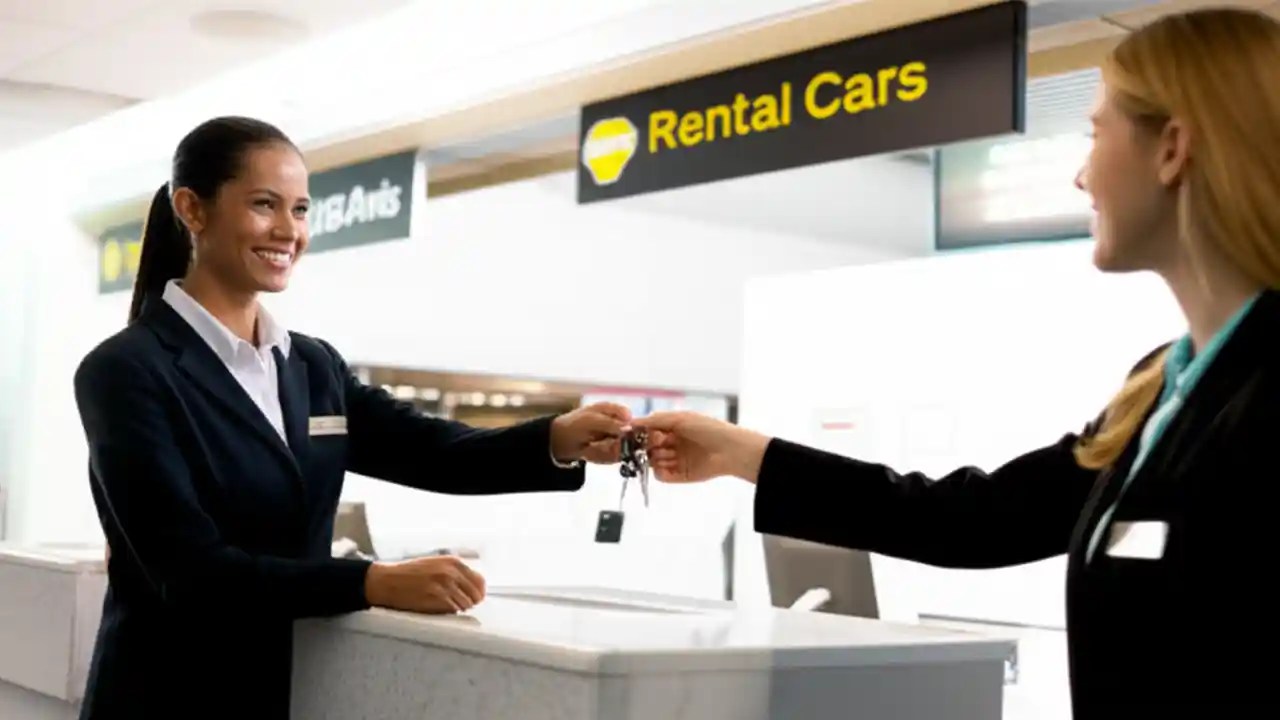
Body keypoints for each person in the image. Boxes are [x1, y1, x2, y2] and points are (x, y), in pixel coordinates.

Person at [635, 7, 1279, 716]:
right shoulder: (1162, 387)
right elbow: (974, 519)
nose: (1080, 175)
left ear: (1172, 149)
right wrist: (744, 454)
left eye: (1096, 133)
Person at [73, 116, 631, 719]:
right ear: (193, 209)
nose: (288, 230)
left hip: (289, 691)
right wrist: (369, 581)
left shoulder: (311, 366)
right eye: (265, 205)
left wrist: (558, 439)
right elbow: (191, 574)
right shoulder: (125, 370)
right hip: (163, 700)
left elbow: (430, 448)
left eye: (301, 209)